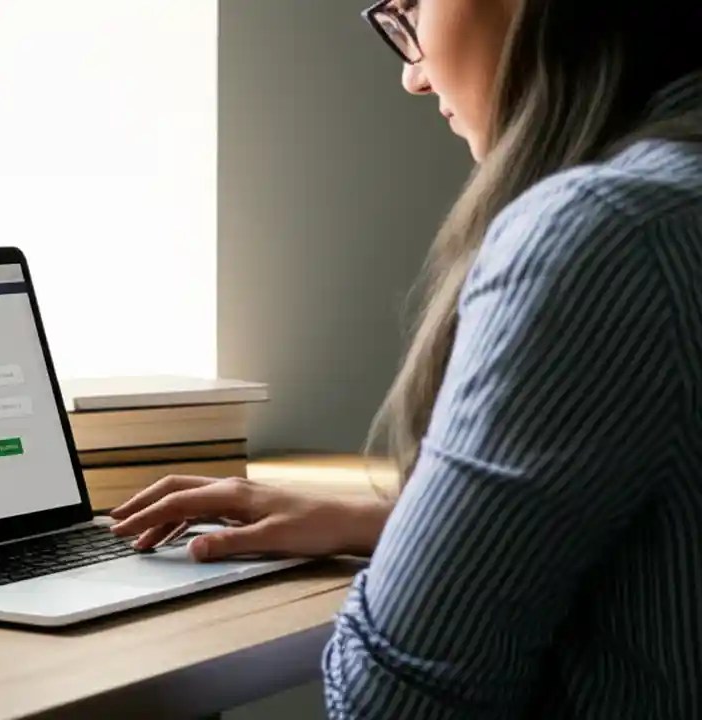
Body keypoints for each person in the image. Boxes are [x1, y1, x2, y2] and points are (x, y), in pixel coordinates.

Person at [109, 0, 702, 716]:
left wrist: (417, 564)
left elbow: (393, 703)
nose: (413, 77)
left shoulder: (601, 236)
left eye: (411, 8)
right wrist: (408, 521)